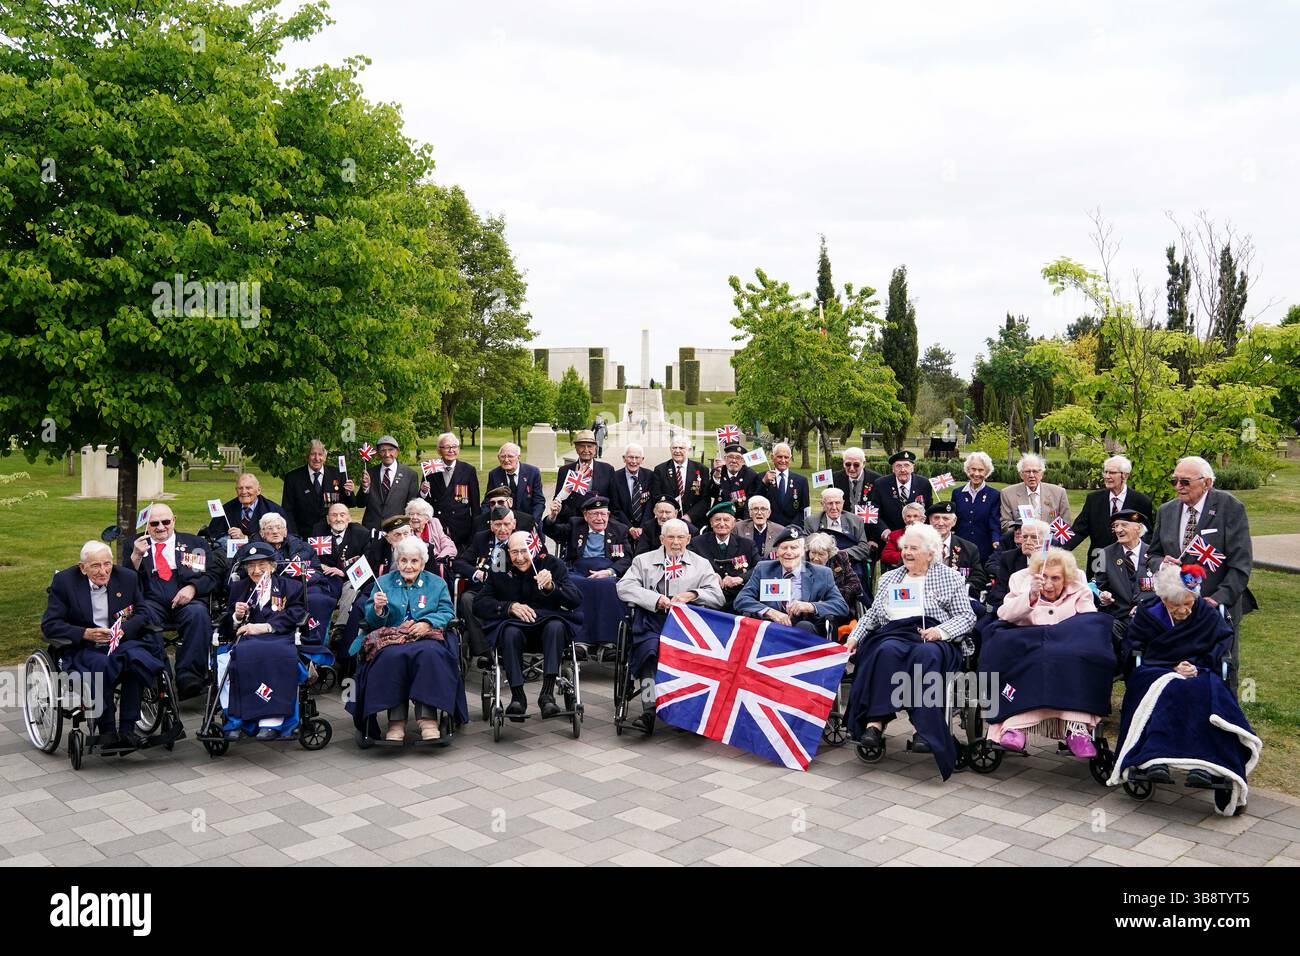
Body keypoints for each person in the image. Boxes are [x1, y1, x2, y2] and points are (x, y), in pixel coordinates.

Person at [1108, 564, 1261, 815]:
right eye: (1174, 605)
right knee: (1166, 689)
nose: (1182, 611)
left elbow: (1219, 645)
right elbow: (1135, 648)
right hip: (1155, 668)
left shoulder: (1206, 613)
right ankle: (1152, 757)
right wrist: (1172, 666)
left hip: (1200, 669)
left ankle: (1207, 763)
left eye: (1187, 603)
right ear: (1163, 599)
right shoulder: (1149, 613)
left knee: (1204, 693)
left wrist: (1195, 666)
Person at [842, 523, 977, 778]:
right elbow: (871, 615)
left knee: (925, 655)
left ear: (931, 552)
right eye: (905, 548)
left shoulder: (950, 577)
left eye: (914, 548)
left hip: (934, 637)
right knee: (885, 652)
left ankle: (924, 729)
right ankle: (875, 724)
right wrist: (855, 637)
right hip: (893, 633)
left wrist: (941, 632)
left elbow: (967, 617)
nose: (907, 553)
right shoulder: (890, 577)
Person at [982, 547, 1110, 759]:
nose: (1049, 584)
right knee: (1031, 660)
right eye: (1044, 577)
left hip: (1067, 648)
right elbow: (1004, 614)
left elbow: (1090, 623)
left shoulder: (1079, 589)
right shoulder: (1020, 581)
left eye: (1056, 578)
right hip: (1027, 645)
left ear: (1066, 578)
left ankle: (1076, 730)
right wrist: (1031, 595)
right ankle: (1015, 728)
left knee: (1074, 659)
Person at [41, 542, 161, 752]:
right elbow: (50, 625)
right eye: (95, 566)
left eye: (107, 564)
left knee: (135, 660)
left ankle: (127, 729)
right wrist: (84, 633)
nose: (103, 571)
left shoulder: (127, 578)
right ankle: (106, 729)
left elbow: (142, 612)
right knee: (102, 663)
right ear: (82, 567)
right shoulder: (65, 582)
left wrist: (123, 630)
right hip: (85, 647)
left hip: (121, 642)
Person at [348, 537, 465, 742]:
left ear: (422, 562)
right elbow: (371, 621)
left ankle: (427, 720)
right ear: (398, 561)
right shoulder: (383, 583)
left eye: (414, 561)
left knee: (430, 655)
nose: (408, 566)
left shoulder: (436, 583)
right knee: (390, 657)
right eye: (403, 560)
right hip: (392, 638)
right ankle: (396, 722)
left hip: (426, 637)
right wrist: (377, 608)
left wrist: (428, 623)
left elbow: (447, 611)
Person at [616, 518, 724, 732]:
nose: (676, 542)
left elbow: (718, 597)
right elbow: (623, 587)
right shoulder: (643, 561)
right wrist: (654, 599)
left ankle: (686, 710)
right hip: (652, 619)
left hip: (688, 624)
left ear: (689, 539)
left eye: (681, 537)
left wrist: (693, 594)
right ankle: (649, 708)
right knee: (649, 652)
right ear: (661, 539)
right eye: (671, 537)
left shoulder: (700, 564)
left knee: (692, 654)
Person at [475, 531, 584, 719]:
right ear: (507, 552)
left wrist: (552, 587)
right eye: (514, 552)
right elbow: (479, 603)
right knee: (509, 632)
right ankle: (518, 697)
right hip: (514, 626)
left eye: (524, 551)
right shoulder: (500, 566)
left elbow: (575, 599)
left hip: (548, 625)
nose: (519, 558)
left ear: (534, 548)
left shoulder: (551, 563)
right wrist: (509, 607)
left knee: (556, 627)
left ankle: (547, 695)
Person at [1148, 455, 1253, 642]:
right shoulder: (1166, 510)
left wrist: (1217, 599)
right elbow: (1154, 554)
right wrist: (1162, 565)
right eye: (1175, 480)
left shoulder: (1229, 507)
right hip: (1175, 608)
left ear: (1207, 483)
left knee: (1219, 665)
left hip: (1214, 607)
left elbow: (1241, 564)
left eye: (1185, 482)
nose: (1178, 486)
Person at [126, 503, 220, 699]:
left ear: (174, 520)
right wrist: (135, 557)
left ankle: (189, 677)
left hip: (186, 597)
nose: (161, 527)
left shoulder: (194, 544)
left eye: (166, 522)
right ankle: (160, 677)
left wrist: (193, 588)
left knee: (198, 615)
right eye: (154, 523)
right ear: (147, 525)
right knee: (143, 618)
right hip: (151, 599)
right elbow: (123, 581)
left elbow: (212, 575)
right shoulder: (136, 544)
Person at [217, 542, 306, 740]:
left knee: (276, 655)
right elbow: (226, 624)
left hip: (278, 638)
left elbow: (296, 613)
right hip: (246, 640)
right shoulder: (239, 588)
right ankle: (238, 719)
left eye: (261, 565)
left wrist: (265, 627)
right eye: (251, 566)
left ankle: (271, 720)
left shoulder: (291, 587)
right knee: (238, 655)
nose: (256, 571)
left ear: (272, 566)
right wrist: (236, 617)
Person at [734, 525, 849, 633]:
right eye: (784, 548)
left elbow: (841, 606)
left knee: (804, 626)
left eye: (794, 547)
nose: (789, 552)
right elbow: (741, 599)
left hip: (805, 635)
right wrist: (770, 612)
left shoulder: (822, 573)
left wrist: (811, 606)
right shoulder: (764, 569)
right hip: (770, 632)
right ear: (777, 552)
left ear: (803, 551)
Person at [1063, 455, 1152, 578]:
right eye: (1105, 472)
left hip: (1128, 563)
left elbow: (1147, 535)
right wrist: (1057, 548)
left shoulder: (1140, 501)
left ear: (1125, 475)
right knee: (1096, 595)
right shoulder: (1094, 499)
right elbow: (1079, 530)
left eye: (1112, 472)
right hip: (1098, 560)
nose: (1106, 476)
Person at [454, 506, 516, 656]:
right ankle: (485, 650)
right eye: (497, 524)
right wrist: (476, 573)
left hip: (510, 590)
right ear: (491, 525)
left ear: (514, 524)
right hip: (481, 589)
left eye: (506, 524)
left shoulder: (520, 540)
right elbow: (459, 562)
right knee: (467, 599)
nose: (502, 529)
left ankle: (503, 642)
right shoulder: (481, 537)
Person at [689, 501, 759, 611]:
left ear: (734, 523)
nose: (722, 524)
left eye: (726, 520)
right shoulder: (697, 543)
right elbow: (689, 567)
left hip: (738, 602)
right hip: (708, 601)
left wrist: (740, 578)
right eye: (717, 520)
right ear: (711, 523)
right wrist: (710, 575)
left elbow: (759, 567)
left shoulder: (747, 545)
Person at [280, 439, 355, 538]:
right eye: (313, 454)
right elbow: (287, 511)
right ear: (307, 456)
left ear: (325, 457)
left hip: (332, 534)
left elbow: (351, 504)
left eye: (320, 454)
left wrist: (349, 493)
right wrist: (294, 536)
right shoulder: (293, 478)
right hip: (303, 536)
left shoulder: (338, 475)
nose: (317, 458)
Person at [1093, 509, 1159, 621]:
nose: (1118, 530)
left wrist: (1146, 608)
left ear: (1138, 528)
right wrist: (1103, 597)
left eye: (1124, 525)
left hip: (1150, 618)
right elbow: (1099, 587)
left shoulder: (1154, 554)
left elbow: (1164, 590)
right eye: (1115, 526)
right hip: (1117, 619)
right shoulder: (1104, 554)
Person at [420, 432, 480, 549]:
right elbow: (424, 503)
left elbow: (475, 504)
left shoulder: (468, 470)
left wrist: (474, 531)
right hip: (438, 527)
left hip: (461, 529)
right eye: (447, 447)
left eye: (455, 447)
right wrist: (423, 492)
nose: (451, 450)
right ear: (439, 450)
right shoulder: (430, 470)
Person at [549, 429, 617, 526]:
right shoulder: (565, 471)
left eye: (589, 446)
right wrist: (576, 480)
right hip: (573, 525)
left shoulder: (607, 470)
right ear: (576, 448)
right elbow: (560, 501)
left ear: (595, 448)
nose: (586, 450)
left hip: (600, 525)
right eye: (582, 446)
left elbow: (613, 503)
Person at [202, 473, 289, 544]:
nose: (243, 492)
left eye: (248, 488)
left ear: (258, 490)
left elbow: (284, 538)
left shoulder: (273, 510)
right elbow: (213, 534)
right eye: (240, 488)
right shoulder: (226, 509)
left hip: (264, 556)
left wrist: (245, 538)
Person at [358, 435, 421, 531]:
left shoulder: (410, 474)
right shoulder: (369, 473)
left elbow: (412, 505)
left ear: (397, 452)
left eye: (390, 450)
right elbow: (360, 503)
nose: (387, 454)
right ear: (378, 454)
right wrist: (365, 488)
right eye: (383, 451)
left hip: (398, 529)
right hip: (372, 530)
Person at [998, 453, 1071, 534]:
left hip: (1050, 542)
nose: (1031, 475)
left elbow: (1066, 524)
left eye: (1035, 471)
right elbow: (1005, 524)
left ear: (1042, 474)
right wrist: (1026, 534)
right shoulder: (1007, 494)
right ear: (1021, 474)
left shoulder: (1059, 493)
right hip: (1021, 542)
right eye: (1028, 471)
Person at [983, 518, 1047, 610]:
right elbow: (998, 594)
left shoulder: (1054, 560)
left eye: (1034, 537)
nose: (1028, 542)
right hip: (1011, 610)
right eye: (1024, 537)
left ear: (1045, 541)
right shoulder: (1009, 558)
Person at [927, 501, 987, 597]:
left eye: (945, 518)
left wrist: (963, 588)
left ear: (954, 521)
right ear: (930, 520)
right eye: (936, 518)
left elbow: (979, 577)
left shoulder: (969, 548)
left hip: (958, 597)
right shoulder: (917, 545)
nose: (940, 522)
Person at [652, 436, 714, 527]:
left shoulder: (701, 469)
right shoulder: (660, 470)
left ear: (689, 450)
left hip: (693, 522)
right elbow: (656, 496)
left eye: (681, 448)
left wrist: (689, 516)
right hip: (668, 522)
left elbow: (705, 500)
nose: (677, 451)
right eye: (674, 448)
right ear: (670, 449)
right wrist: (670, 515)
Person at [951, 451, 1002, 561]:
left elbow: (994, 523)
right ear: (968, 470)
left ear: (987, 472)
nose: (976, 474)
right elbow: (953, 521)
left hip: (983, 549)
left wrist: (996, 540)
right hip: (960, 547)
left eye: (981, 470)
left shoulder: (994, 495)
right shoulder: (957, 493)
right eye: (973, 469)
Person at [869, 450, 934, 533]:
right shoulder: (881, 484)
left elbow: (928, 511)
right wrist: (884, 530)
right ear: (893, 469)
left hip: (917, 535)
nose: (903, 470)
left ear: (912, 468)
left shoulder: (924, 484)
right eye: (898, 466)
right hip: (890, 535)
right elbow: (875, 513)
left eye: (906, 465)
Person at [805, 532, 862, 623]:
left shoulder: (839, 558)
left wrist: (832, 598)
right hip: (808, 611)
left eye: (821, 554)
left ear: (829, 554)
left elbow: (855, 585)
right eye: (813, 553)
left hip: (836, 610)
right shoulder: (802, 561)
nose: (815, 558)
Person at [804, 488, 872, 564]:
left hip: (849, 562)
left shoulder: (856, 521)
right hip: (821, 563)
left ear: (843, 503)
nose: (834, 507)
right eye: (830, 503)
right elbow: (806, 547)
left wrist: (842, 554)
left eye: (837, 503)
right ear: (822, 504)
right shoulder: (812, 521)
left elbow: (864, 548)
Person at [483, 442, 544, 526]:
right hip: (503, 524)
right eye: (503, 456)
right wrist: (488, 521)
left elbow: (539, 502)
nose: (506, 460)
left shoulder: (533, 472)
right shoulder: (494, 474)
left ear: (519, 457)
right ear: (498, 457)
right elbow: (487, 501)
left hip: (528, 522)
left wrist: (532, 522)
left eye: (510, 456)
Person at [610, 443, 655, 541]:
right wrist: (630, 528)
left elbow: (651, 505)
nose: (634, 461)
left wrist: (642, 527)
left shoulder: (650, 476)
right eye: (630, 457)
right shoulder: (615, 477)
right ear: (624, 458)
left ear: (642, 459)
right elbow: (615, 508)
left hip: (645, 529)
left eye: (637, 458)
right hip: (623, 529)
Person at [404, 499, 458, 580]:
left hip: (435, 564)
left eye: (419, 514)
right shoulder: (405, 529)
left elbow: (449, 546)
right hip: (413, 565)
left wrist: (439, 559)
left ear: (427, 518)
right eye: (411, 514)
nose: (414, 517)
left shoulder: (434, 523)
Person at [760, 442, 809, 527]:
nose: (783, 460)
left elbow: (804, 510)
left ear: (790, 459)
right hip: (769, 529)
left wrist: (791, 528)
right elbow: (756, 502)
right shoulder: (762, 477)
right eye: (779, 457)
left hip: (793, 531)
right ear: (772, 457)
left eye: (786, 457)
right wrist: (764, 482)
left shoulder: (801, 481)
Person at [712, 443, 761, 519]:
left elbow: (749, 502)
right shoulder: (719, 471)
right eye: (730, 457)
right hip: (719, 515)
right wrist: (717, 475)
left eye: (738, 458)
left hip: (739, 518)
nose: (734, 461)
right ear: (725, 459)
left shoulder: (750, 475)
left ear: (743, 461)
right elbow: (710, 494)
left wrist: (744, 523)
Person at [879, 501, 928, 572]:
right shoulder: (895, 535)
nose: (912, 519)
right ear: (904, 519)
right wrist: (908, 555)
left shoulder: (930, 534)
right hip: (902, 572)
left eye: (915, 516)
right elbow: (885, 555)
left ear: (923, 519)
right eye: (908, 516)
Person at [832, 446, 882, 513]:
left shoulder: (877, 480)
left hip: (867, 521)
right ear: (843, 463)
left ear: (863, 464)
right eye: (848, 464)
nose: (851, 468)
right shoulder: (834, 479)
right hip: (843, 520)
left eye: (856, 465)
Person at [734, 494, 784, 559]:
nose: (759, 513)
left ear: (769, 513)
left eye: (763, 509)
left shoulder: (780, 531)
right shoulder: (738, 528)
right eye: (755, 509)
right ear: (750, 513)